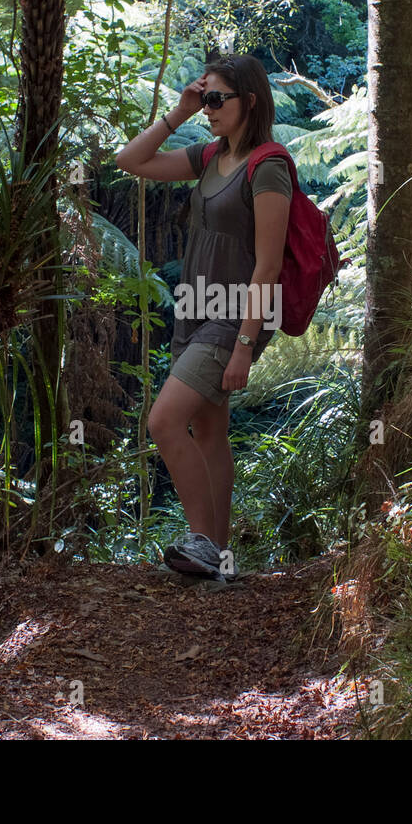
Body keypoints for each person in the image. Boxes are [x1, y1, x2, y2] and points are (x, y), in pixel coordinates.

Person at [115, 54, 292, 579]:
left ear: (250, 102)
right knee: (209, 430)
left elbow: (269, 262)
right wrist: (179, 111)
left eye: (217, 99)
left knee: (163, 420)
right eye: (206, 97)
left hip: (234, 315)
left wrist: (244, 343)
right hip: (196, 309)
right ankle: (217, 560)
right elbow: (131, 160)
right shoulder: (211, 155)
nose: (209, 108)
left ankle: (200, 544)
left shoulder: (269, 166)